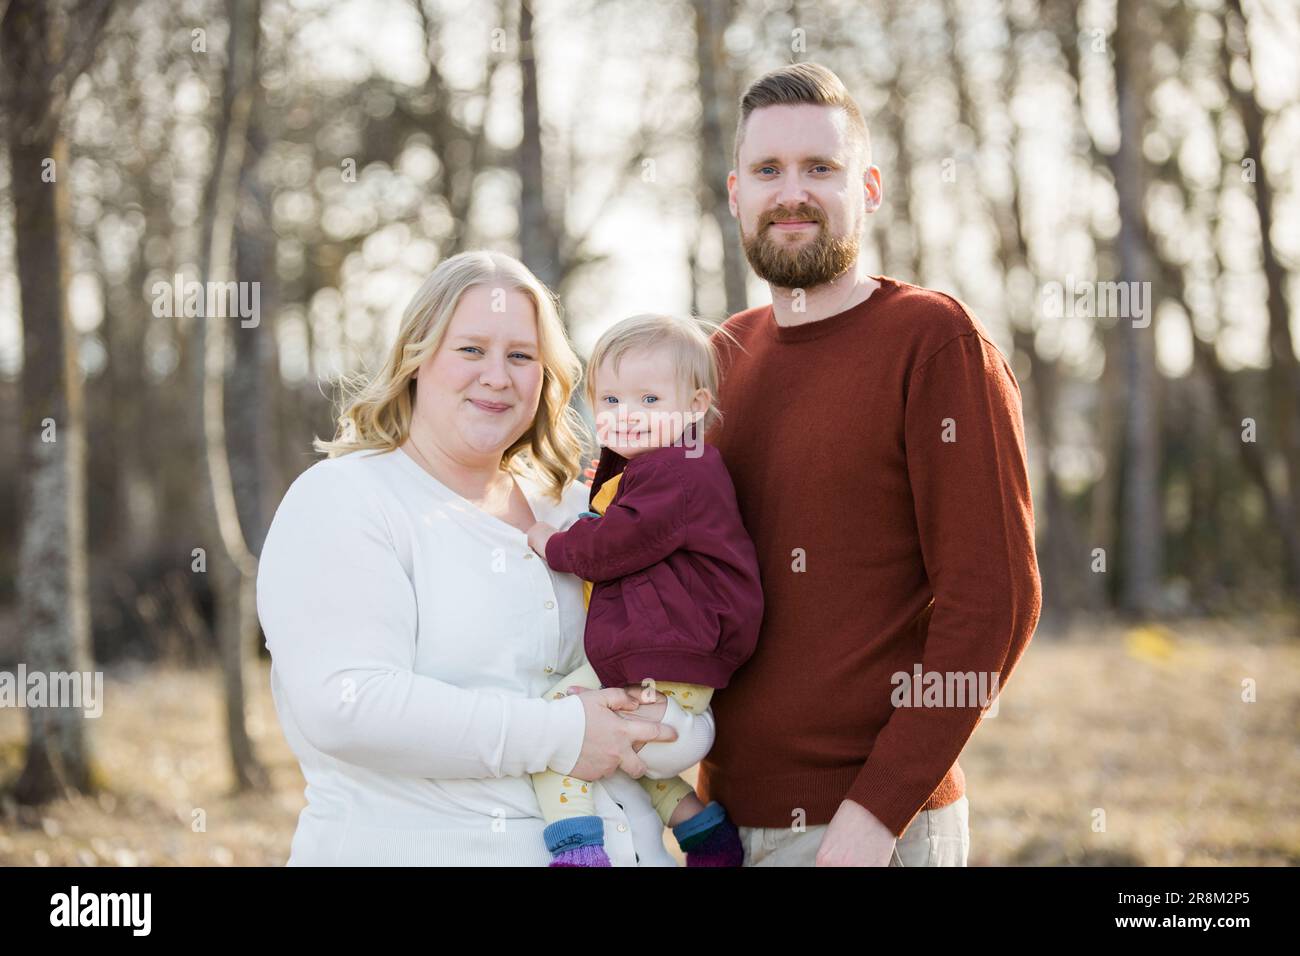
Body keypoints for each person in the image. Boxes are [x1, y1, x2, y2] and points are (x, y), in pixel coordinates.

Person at [696, 61, 1043, 866]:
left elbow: (994, 605)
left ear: (871, 188)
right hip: (721, 827)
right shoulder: (720, 357)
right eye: (769, 170)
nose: (793, 193)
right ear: (735, 192)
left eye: (822, 168)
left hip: (868, 833)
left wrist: (876, 813)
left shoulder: (934, 343)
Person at [256, 250, 706, 866]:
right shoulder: (346, 499)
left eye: (521, 356)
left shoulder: (579, 511)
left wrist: (672, 723)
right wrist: (561, 735)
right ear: (417, 358)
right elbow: (349, 705)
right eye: (471, 349)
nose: (498, 376)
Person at [525, 313, 764, 866]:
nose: (626, 415)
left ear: (697, 406)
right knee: (634, 758)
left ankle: (577, 851)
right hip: (678, 673)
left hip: (665, 661)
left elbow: (610, 548)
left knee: (554, 730)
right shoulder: (668, 468)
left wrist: (551, 541)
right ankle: (707, 836)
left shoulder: (678, 473)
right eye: (609, 401)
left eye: (649, 400)